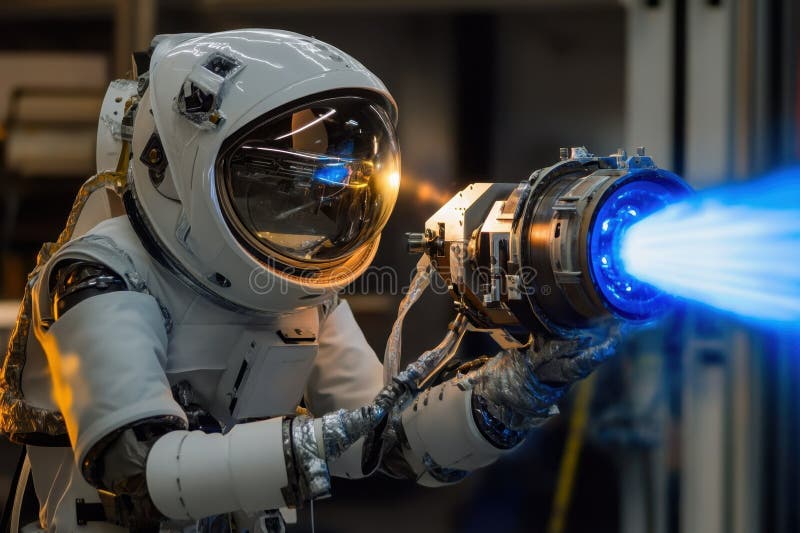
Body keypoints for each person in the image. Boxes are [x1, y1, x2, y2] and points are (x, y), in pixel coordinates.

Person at [5, 30, 617, 532]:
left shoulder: (303, 284)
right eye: (265, 180)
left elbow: (384, 441)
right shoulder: (97, 272)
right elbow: (140, 473)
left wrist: (511, 391)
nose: (304, 200)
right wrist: (310, 445)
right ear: (172, 167)